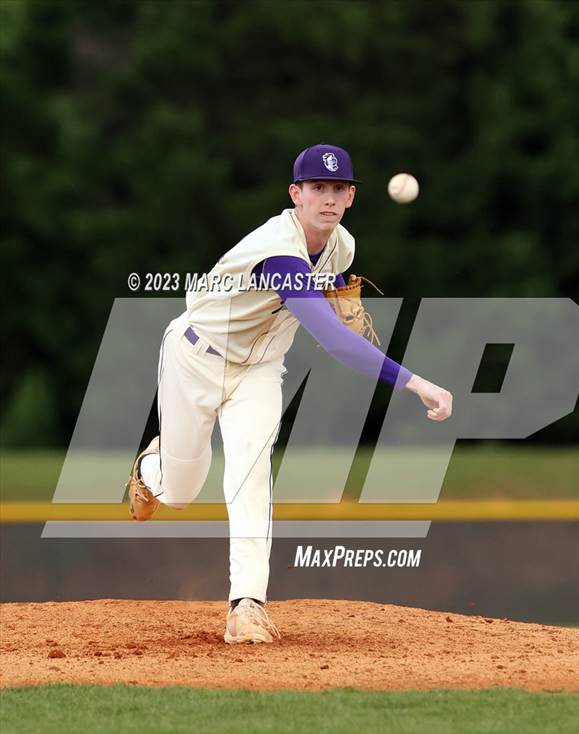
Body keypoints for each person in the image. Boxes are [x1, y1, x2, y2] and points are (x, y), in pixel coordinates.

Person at [127, 144, 452, 644]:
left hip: (259, 370)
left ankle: (247, 607)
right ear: (295, 194)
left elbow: (336, 283)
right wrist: (415, 382)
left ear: (351, 198)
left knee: (251, 476)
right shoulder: (278, 251)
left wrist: (340, 289)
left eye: (338, 188)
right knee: (182, 492)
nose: (328, 197)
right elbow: (333, 339)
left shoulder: (341, 244)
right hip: (196, 358)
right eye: (316, 188)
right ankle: (151, 468)